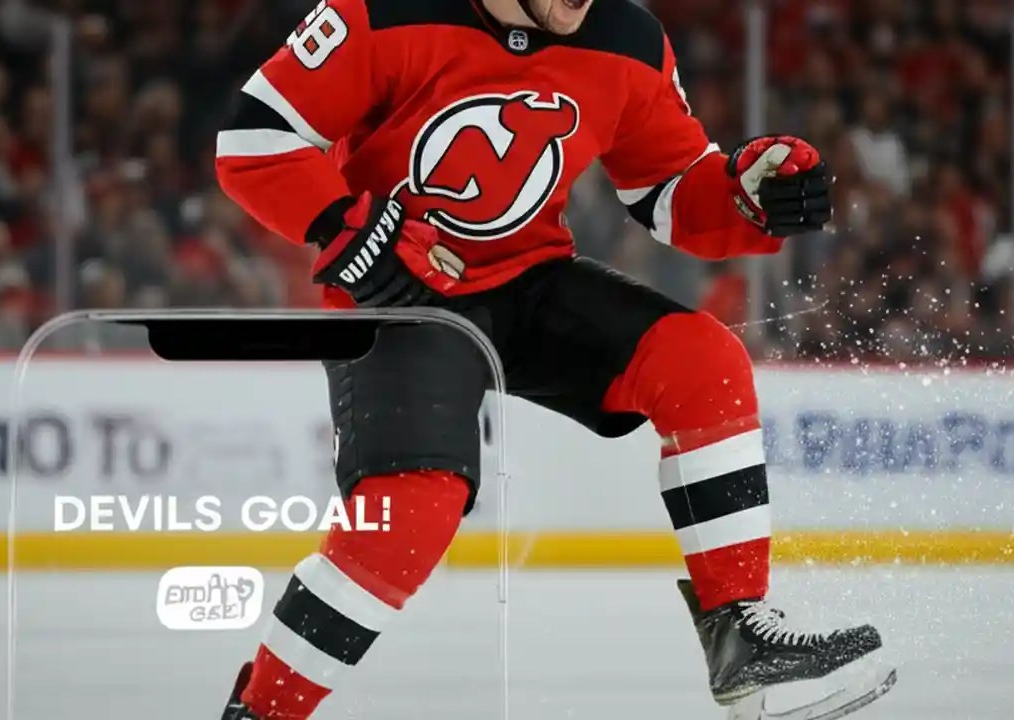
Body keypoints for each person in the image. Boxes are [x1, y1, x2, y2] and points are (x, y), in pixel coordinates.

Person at [214, 0, 894, 718]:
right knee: (409, 514)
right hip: (402, 295)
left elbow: (668, 191)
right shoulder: (379, 11)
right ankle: (262, 713)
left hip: (528, 280)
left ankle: (738, 634)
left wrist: (745, 199)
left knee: (704, 363)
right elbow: (255, 138)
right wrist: (344, 227)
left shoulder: (629, 37)